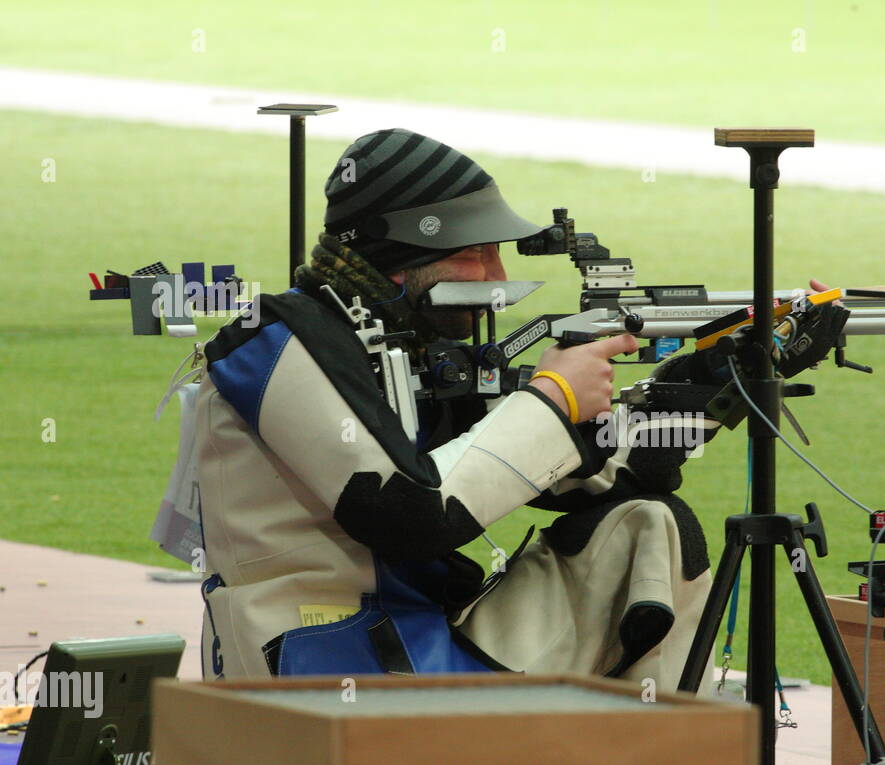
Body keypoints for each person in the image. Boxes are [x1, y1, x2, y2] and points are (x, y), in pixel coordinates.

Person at [195, 128, 729, 685]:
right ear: (402, 259)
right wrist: (552, 398)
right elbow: (409, 514)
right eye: (476, 253)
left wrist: (715, 375)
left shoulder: (413, 345)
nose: (497, 277)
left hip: (422, 640)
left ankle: (657, 759)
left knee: (652, 524)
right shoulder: (271, 341)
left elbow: (615, 476)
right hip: (318, 664)